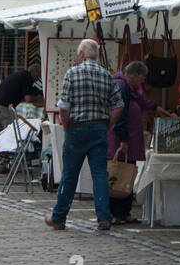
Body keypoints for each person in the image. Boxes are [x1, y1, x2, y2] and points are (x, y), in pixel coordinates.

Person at [46, 39, 123, 233]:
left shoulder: (72, 73)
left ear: (81, 55)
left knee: (70, 174)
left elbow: (64, 105)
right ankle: (104, 218)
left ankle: (59, 217)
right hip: (99, 129)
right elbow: (118, 105)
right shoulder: (106, 75)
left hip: (77, 128)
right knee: (99, 175)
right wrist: (107, 124)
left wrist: (66, 125)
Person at [108, 61, 176, 224]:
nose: (142, 82)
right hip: (121, 139)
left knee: (129, 173)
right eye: (141, 78)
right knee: (118, 175)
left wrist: (156, 107)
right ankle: (116, 213)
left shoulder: (129, 88)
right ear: (134, 76)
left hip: (128, 139)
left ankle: (124, 212)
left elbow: (140, 101)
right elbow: (121, 115)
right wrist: (123, 140)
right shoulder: (121, 86)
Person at [0, 67, 43, 174]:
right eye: (38, 76)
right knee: (12, 137)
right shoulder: (27, 77)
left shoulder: (18, 75)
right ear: (35, 72)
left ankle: (0, 166)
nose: (37, 80)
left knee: (0, 136)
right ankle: (17, 166)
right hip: (5, 107)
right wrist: (39, 99)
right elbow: (28, 98)